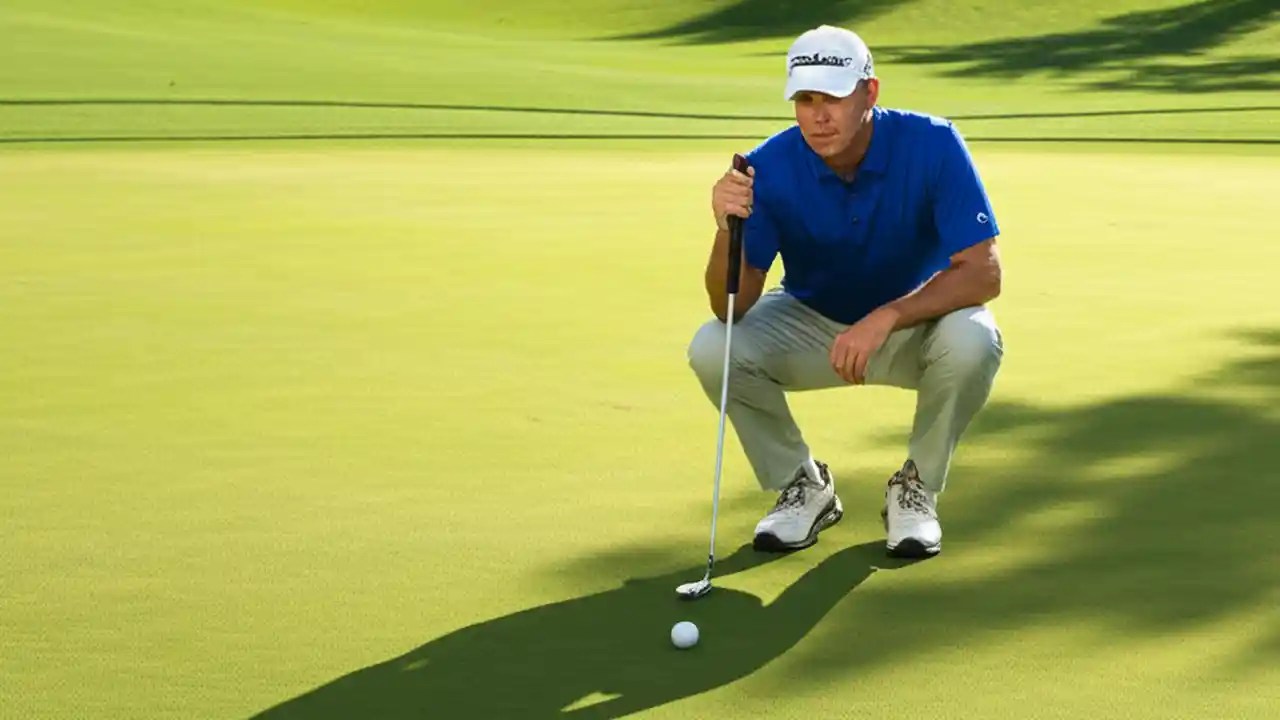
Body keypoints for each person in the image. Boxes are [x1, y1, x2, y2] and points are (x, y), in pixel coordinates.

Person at [687, 24, 1004, 558]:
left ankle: (916, 487)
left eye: (833, 97)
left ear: (869, 92)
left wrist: (886, 317)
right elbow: (729, 306)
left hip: (916, 327)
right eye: (805, 99)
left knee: (975, 338)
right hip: (813, 324)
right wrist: (725, 228)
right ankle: (803, 485)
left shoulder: (933, 143)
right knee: (712, 346)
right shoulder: (769, 166)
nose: (819, 115)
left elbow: (984, 273)